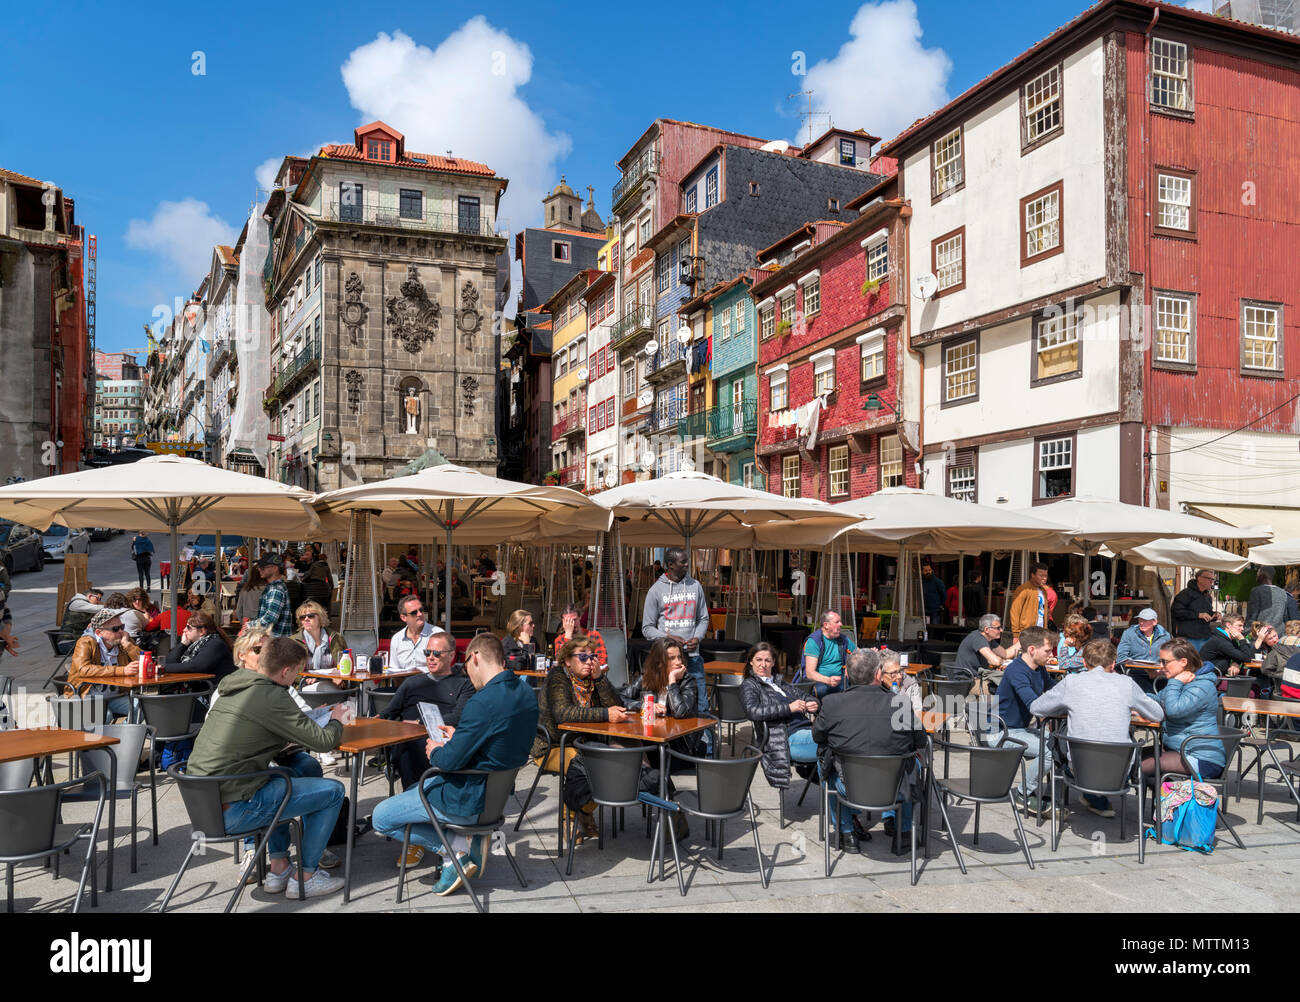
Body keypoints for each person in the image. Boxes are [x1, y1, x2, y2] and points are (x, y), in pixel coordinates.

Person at [371, 633, 539, 897]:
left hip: (468, 798)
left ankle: (455, 850)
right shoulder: (526, 692)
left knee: (381, 818)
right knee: (414, 787)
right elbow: (495, 739)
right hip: (495, 798)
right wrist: (458, 737)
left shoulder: (482, 701)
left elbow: (448, 762)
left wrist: (437, 749)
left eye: (466, 664)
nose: (467, 673)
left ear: (474, 657)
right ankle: (462, 845)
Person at [187, 636, 348, 899]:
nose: (296, 679)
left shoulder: (233, 687)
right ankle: (306, 877)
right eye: (296, 673)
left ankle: (280, 868)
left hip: (205, 807)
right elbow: (323, 742)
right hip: (234, 810)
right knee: (332, 792)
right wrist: (337, 720)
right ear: (286, 671)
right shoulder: (272, 694)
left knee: (284, 777)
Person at [1029, 639, 1165, 817]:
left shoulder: (1071, 682)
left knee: (1060, 738)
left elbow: (1036, 707)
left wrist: (1067, 705)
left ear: (1084, 662)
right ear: (1113, 663)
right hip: (1120, 771)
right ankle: (1095, 800)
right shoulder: (1127, 683)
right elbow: (1157, 715)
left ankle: (1064, 800)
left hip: (1079, 768)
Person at [812, 648, 926, 853]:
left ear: (846, 674)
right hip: (895, 788)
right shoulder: (900, 704)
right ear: (877, 674)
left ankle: (846, 833)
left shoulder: (831, 703)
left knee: (826, 763)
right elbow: (920, 741)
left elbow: (817, 737)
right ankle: (905, 832)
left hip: (850, 787)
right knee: (913, 763)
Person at [378, 632, 476, 865]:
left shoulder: (464, 685)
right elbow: (388, 713)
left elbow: (459, 716)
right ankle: (418, 832)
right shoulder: (413, 682)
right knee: (408, 747)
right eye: (427, 653)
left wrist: (421, 724)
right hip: (410, 744)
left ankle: (427, 831)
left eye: (436, 653)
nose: (430, 658)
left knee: (418, 746)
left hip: (444, 744)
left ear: (452, 656)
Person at [531, 635, 627, 845]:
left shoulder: (591, 679)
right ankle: (570, 819)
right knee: (587, 766)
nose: (589, 661)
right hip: (553, 745)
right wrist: (604, 714)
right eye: (582, 657)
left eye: (592, 657)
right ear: (567, 660)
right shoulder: (558, 677)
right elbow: (563, 713)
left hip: (584, 743)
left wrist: (600, 679)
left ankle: (584, 809)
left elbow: (617, 704)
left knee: (610, 762)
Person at [642, 546, 710, 750]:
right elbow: (647, 628)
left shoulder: (695, 586)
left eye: (687, 561)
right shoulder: (656, 590)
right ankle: (677, 751)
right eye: (683, 562)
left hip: (693, 657)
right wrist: (668, 639)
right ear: (670, 564)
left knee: (702, 708)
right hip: (668, 660)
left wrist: (697, 637)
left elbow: (704, 618)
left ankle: (706, 754)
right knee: (672, 707)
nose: (687, 564)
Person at [739, 641, 819, 793]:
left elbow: (805, 696)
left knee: (839, 746)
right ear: (751, 661)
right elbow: (753, 711)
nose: (763, 664)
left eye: (767, 660)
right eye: (759, 659)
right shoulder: (749, 685)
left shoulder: (780, 684)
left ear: (773, 662)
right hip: (785, 739)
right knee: (838, 744)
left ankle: (842, 803)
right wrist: (789, 707)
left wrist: (813, 703)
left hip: (806, 732)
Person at [997, 625, 1059, 812]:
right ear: (1032, 650)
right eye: (1047, 650)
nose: (1051, 655)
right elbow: (1034, 704)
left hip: (1018, 729)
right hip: (1001, 732)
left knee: (1062, 742)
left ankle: (1058, 792)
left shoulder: (1039, 669)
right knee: (1050, 749)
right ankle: (1023, 794)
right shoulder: (1016, 671)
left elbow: (1054, 689)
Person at [1144, 639, 1225, 781]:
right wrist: (1138, 699)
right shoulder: (1184, 681)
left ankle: (1103, 801)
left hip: (1201, 758)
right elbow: (1158, 699)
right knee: (1129, 756)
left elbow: (1173, 710)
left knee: (1143, 765)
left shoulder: (1202, 687)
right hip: (1179, 749)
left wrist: (1175, 683)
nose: (1160, 667)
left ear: (1183, 662)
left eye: (1165, 662)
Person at [68, 609, 141, 718]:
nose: (121, 632)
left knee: (141, 708)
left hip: (116, 696)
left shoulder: (122, 642)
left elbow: (143, 661)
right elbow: (83, 669)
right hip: (88, 696)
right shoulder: (86, 642)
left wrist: (127, 644)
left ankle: (122, 734)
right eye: (115, 629)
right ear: (99, 632)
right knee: (105, 716)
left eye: (122, 627)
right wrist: (122, 670)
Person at [800, 610, 858, 700]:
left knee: (856, 687)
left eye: (840, 621)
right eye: (837, 622)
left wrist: (869, 653)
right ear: (826, 625)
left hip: (840, 680)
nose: (841, 624)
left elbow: (858, 655)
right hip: (819, 682)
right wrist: (828, 680)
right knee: (822, 690)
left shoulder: (843, 639)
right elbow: (810, 673)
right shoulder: (814, 641)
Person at [1199, 612, 1265, 681]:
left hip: (1217, 676)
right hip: (1209, 679)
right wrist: (1242, 639)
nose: (1242, 629)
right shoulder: (1221, 641)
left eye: (1242, 626)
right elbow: (1247, 658)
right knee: (1250, 689)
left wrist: (1235, 663)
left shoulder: (1227, 638)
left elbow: (1243, 655)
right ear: (1228, 625)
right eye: (1239, 625)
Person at [389, 594, 445, 671]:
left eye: (421, 610)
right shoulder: (397, 639)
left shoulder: (438, 634)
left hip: (431, 681)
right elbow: (394, 669)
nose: (420, 614)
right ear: (403, 617)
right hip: (405, 681)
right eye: (414, 612)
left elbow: (443, 665)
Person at [1171, 569, 1219, 652]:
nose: (1211, 582)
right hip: (1189, 637)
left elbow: (1207, 614)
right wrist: (1198, 615)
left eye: (1213, 579)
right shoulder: (1185, 594)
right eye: (1209, 579)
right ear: (1199, 579)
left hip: (1205, 636)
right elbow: (1177, 611)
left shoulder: (1207, 596)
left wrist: (1214, 615)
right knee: (1191, 663)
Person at [1246, 568, 1300, 634]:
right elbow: (1284, 615)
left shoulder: (1256, 591)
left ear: (1262, 575)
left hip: (1262, 634)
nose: (1256, 576)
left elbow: (1252, 615)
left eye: (1257, 574)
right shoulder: (1283, 592)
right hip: (1279, 634)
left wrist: (1246, 631)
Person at [252, 553, 293, 637]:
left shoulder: (276, 589)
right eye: (259, 567)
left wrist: (250, 625)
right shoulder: (275, 587)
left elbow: (270, 618)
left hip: (276, 641)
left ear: (275, 568)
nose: (259, 569)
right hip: (276, 639)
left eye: (263, 567)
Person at [1008, 562, 1051, 640]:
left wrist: (1045, 629)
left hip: (1041, 631)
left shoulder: (1043, 591)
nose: (1044, 578)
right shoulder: (1023, 589)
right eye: (1041, 575)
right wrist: (1016, 634)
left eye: (1046, 575)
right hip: (1027, 632)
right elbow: (1015, 611)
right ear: (1033, 575)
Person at [1261, 621, 1300, 690]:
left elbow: (1265, 669)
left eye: (1275, 636)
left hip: (1282, 692)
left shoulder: (1276, 649)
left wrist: (1279, 675)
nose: (1274, 639)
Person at [920, 561, 946, 625]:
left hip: (934, 610)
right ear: (922, 571)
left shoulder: (938, 582)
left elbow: (944, 595)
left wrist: (940, 604)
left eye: (929, 570)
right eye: (926, 570)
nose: (928, 572)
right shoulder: (920, 582)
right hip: (922, 610)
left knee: (934, 628)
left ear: (932, 570)